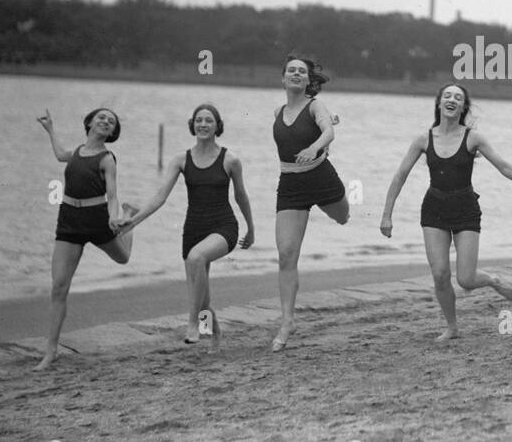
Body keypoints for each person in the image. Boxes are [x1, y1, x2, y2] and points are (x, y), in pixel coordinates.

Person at [379, 84, 512, 340]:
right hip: (434, 209)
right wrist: (387, 214)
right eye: (447, 95)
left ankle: (494, 280)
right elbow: (400, 175)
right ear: (439, 103)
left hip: (466, 209)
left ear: (463, 107)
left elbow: (503, 167)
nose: (452, 100)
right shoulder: (424, 139)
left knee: (466, 279)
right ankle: (452, 327)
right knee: (440, 274)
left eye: (458, 97)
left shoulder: (473, 138)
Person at [113, 103, 255, 346]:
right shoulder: (181, 159)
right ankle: (215, 336)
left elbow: (241, 196)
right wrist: (132, 222)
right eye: (198, 120)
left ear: (217, 126)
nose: (203, 124)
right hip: (193, 228)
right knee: (203, 297)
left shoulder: (230, 159)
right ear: (192, 125)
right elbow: (160, 196)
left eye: (208, 120)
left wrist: (251, 229)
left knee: (196, 258)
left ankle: (192, 325)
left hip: (224, 226)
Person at [34, 107, 138, 370]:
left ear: (113, 132)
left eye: (111, 121)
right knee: (59, 287)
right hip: (68, 220)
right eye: (102, 117)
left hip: (97, 219)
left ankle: (130, 220)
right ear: (90, 122)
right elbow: (60, 155)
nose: (106, 121)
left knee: (123, 258)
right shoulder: (78, 151)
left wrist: (116, 215)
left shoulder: (107, 159)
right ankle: (51, 351)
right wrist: (50, 129)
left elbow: (112, 194)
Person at [271, 54, 349, 351]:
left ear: (307, 80)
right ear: (283, 78)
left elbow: (328, 130)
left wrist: (315, 146)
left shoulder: (316, 105)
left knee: (342, 216)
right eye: (290, 70)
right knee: (286, 254)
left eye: (301, 71)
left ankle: (339, 213)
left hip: (321, 177)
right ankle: (287, 320)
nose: (295, 74)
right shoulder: (277, 111)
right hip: (290, 185)